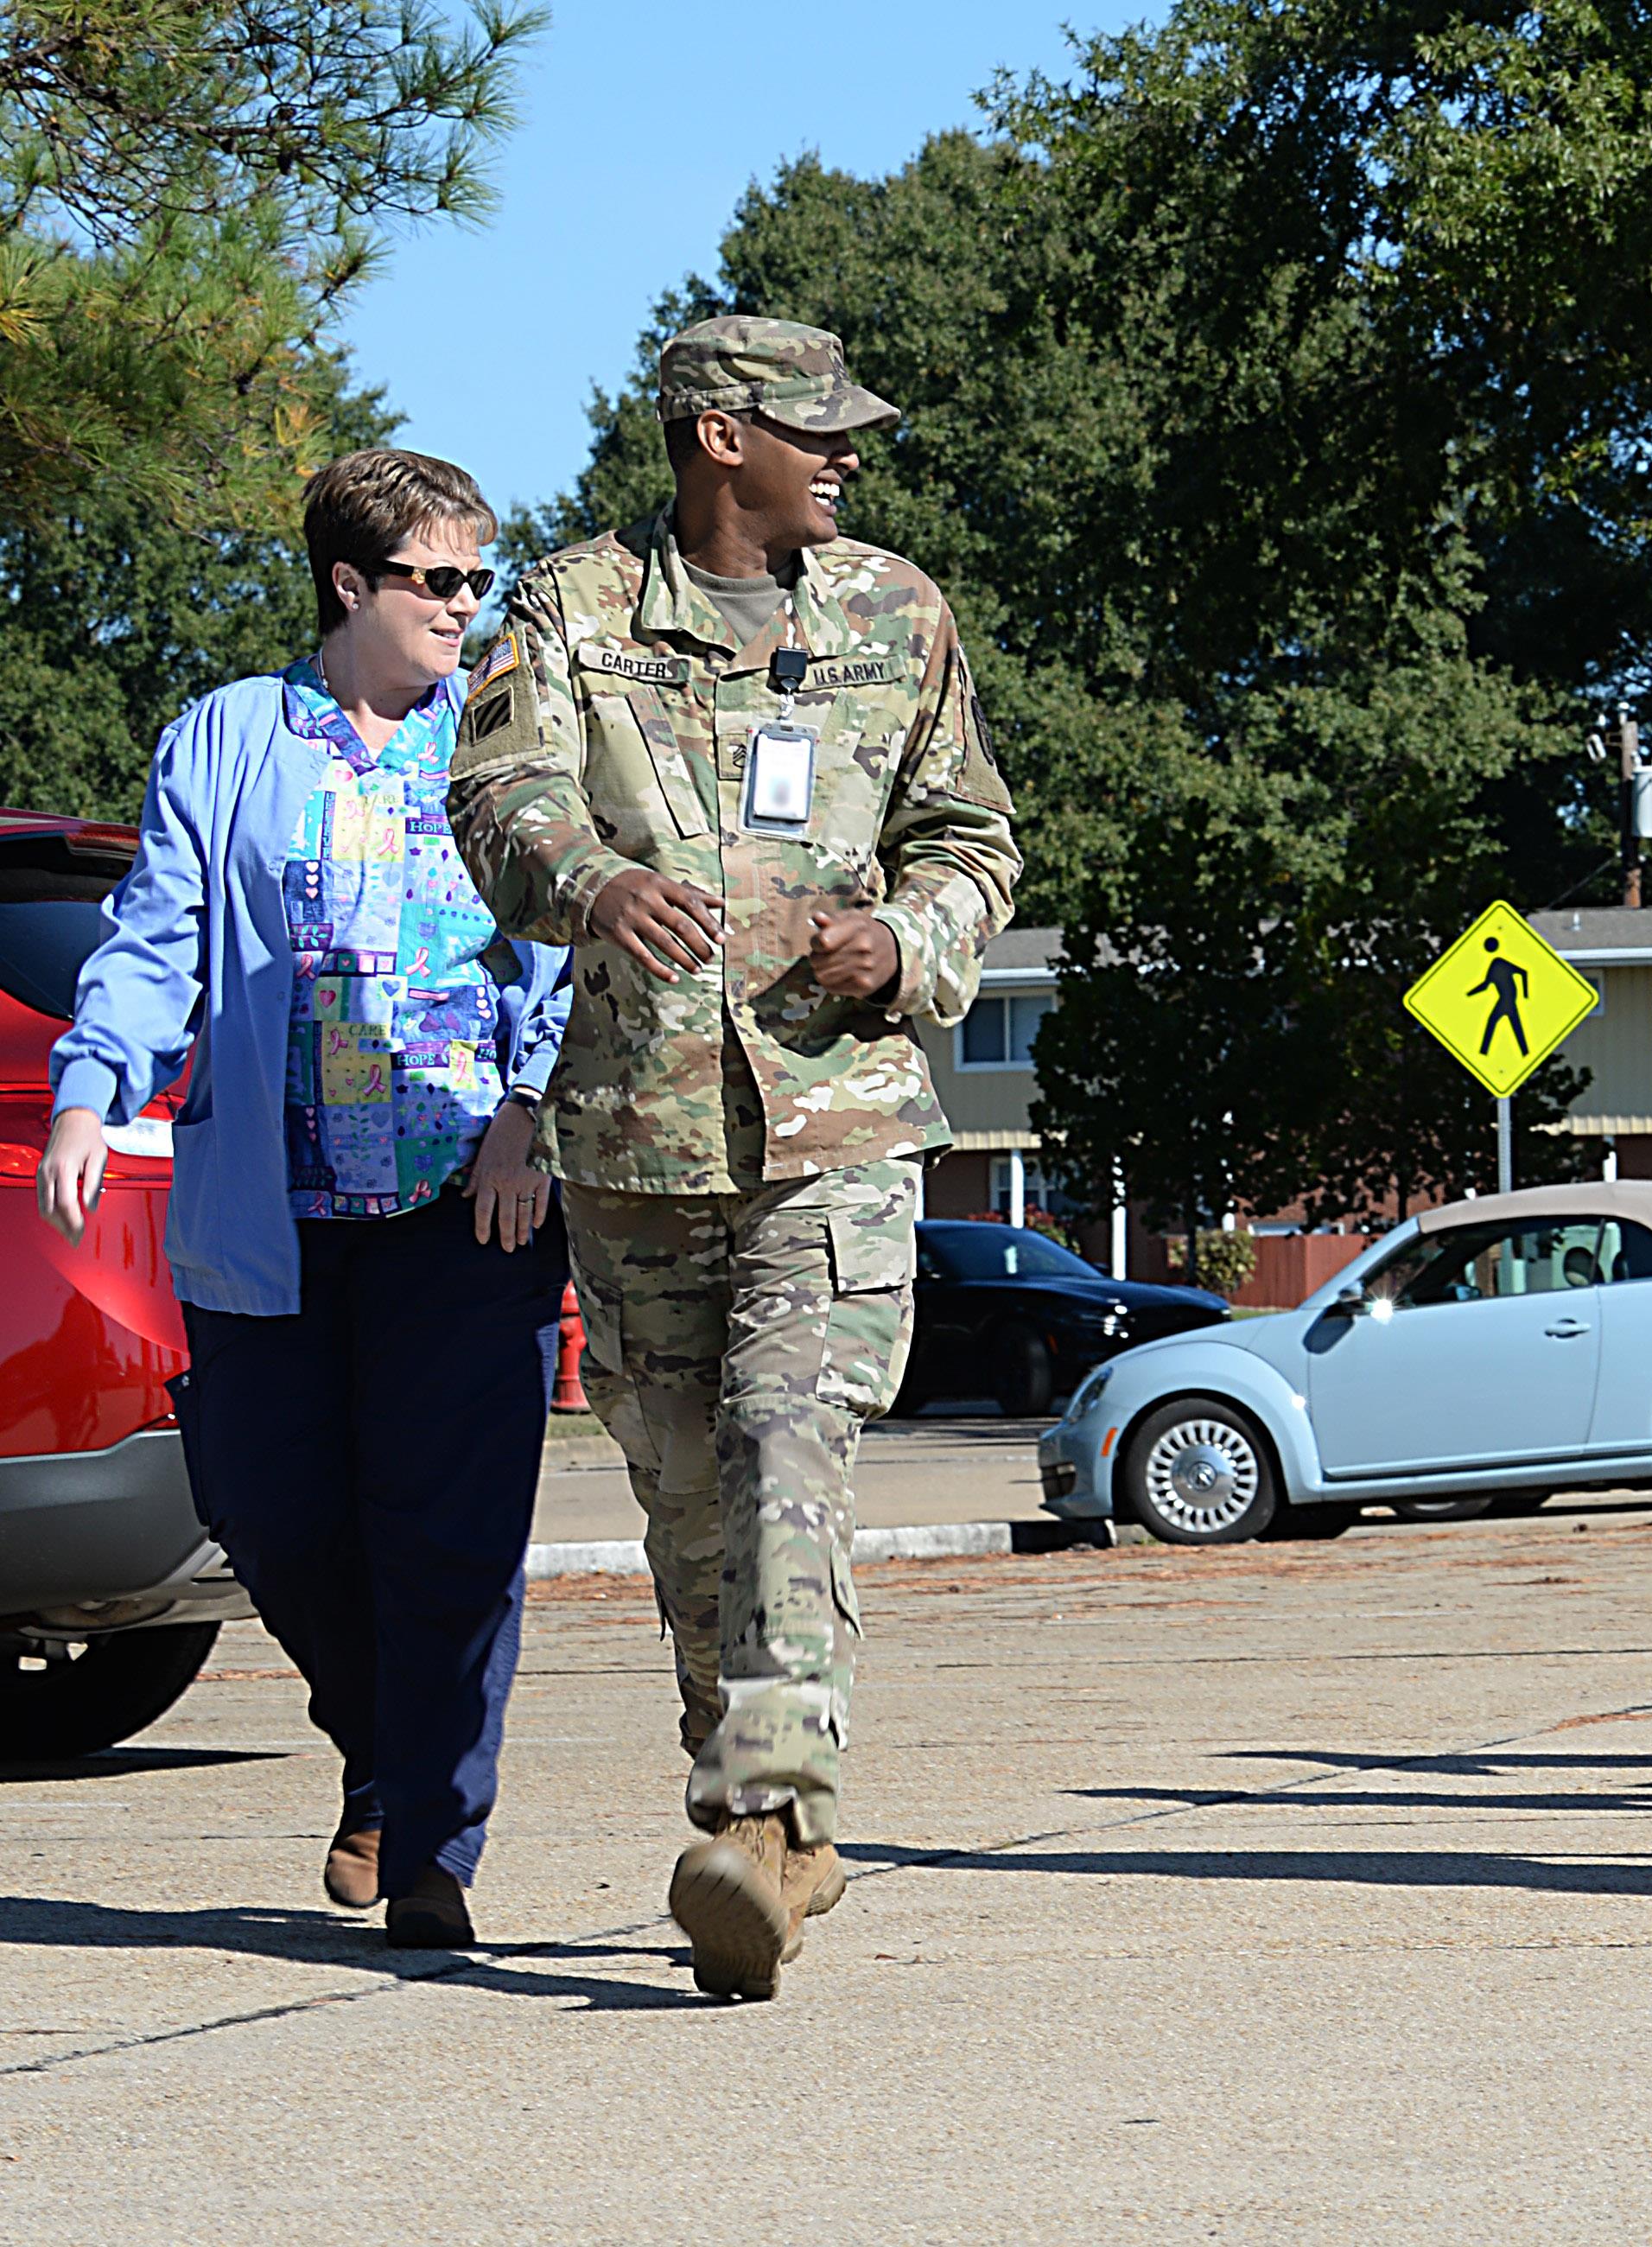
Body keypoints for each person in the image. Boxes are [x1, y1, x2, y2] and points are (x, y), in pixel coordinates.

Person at [453, 316, 1023, 1996]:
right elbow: (499, 793)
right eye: (813, 429)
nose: (846, 454)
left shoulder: (895, 616)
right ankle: (762, 1839)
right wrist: (590, 884)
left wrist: (907, 942)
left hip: (834, 1125)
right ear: (716, 437)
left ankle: (768, 1802)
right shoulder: (573, 609)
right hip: (638, 1135)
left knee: (790, 1442)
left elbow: (972, 834)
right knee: (692, 1506)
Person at [40, 447, 569, 1951]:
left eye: (480, 577)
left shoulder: (505, 744)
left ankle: (435, 1848)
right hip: (268, 1210)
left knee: (451, 1537)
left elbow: (560, 956)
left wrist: (524, 1122)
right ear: (352, 585)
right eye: (438, 581)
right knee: (267, 1511)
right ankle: (388, 1754)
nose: (468, 606)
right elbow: (158, 938)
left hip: (474, 1205)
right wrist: (90, 1089)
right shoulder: (226, 739)